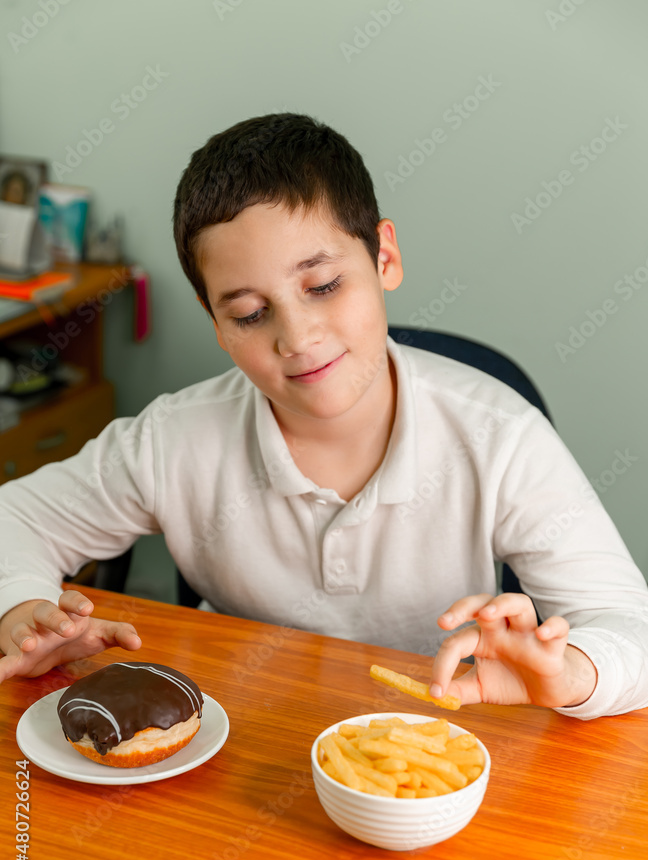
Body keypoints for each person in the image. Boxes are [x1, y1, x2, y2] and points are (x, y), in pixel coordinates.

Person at [0, 112, 647, 719]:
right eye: (251, 312)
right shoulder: (174, 439)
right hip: (247, 735)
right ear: (217, 322)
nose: (298, 337)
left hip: (435, 739)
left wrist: (573, 675)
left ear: (384, 259)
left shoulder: (501, 437)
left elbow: (629, 626)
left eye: (324, 286)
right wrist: (22, 607)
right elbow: (14, 519)